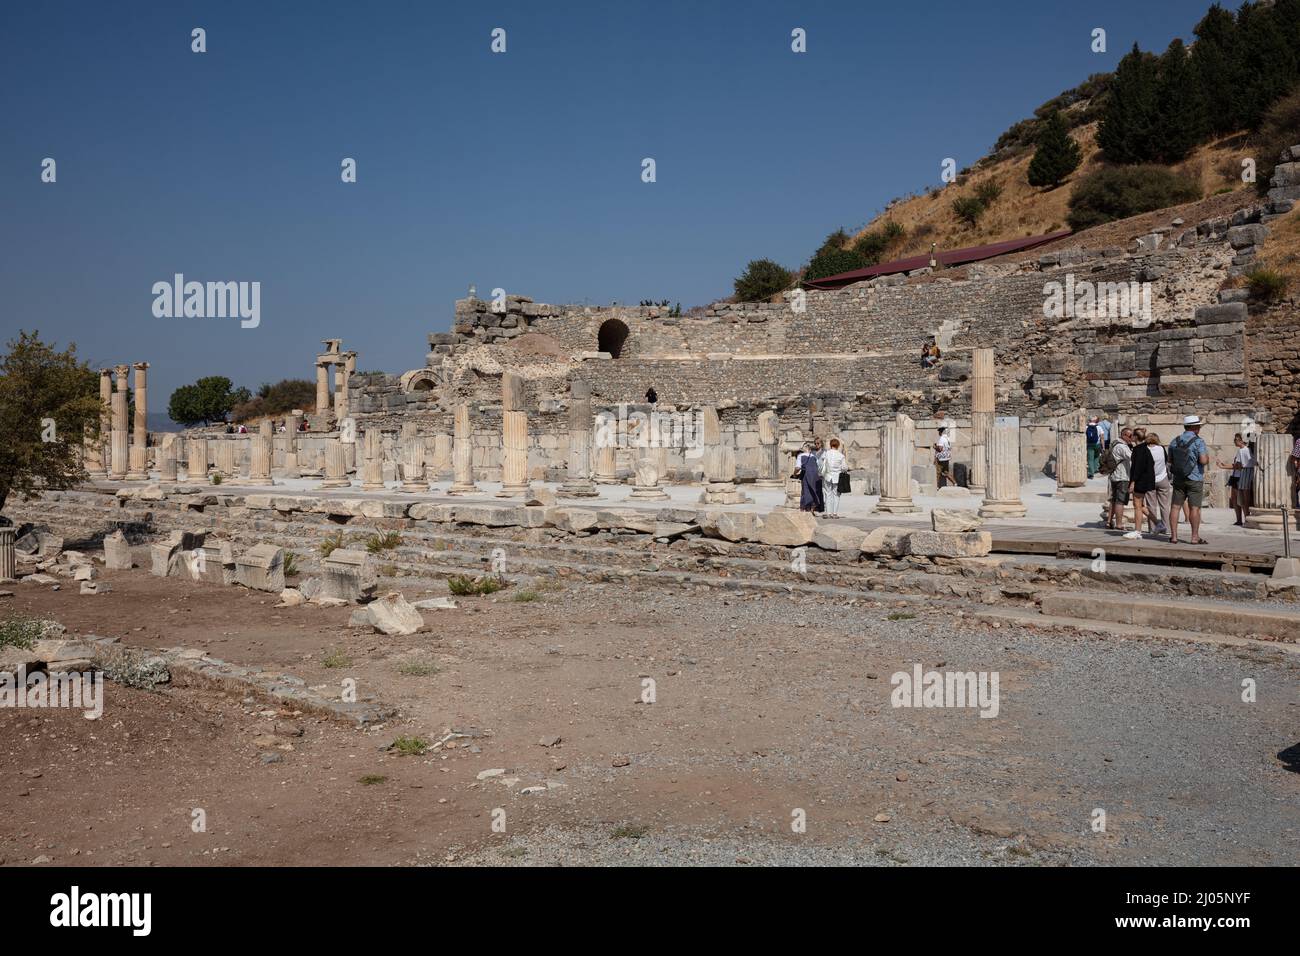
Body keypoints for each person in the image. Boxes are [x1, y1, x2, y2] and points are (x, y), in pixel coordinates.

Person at [1168, 415, 1210, 545]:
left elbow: (1170, 460)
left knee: (1175, 507)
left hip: (1179, 477)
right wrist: (1207, 458)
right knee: (1194, 508)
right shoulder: (1199, 441)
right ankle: (1194, 537)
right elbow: (1203, 460)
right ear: (1194, 427)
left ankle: (1174, 537)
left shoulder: (1175, 441)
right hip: (1195, 477)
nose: (1199, 428)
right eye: (1198, 426)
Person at [1218, 433, 1254, 526]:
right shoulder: (1248, 450)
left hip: (1242, 476)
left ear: (1242, 441)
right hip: (1242, 475)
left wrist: (1223, 466)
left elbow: (1238, 466)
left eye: (1236, 439)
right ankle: (1243, 520)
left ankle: (1245, 519)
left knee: (1243, 500)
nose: (1235, 441)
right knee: (1238, 499)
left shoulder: (1242, 450)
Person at [1143, 432, 1172, 535]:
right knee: (1164, 505)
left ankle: (1153, 528)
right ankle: (1167, 528)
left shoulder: (1145, 450)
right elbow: (1167, 461)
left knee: (1151, 506)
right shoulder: (1161, 448)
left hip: (1150, 480)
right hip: (1163, 478)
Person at [1106, 427, 1134, 531]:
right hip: (1122, 476)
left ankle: (1109, 522)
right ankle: (1119, 524)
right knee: (1120, 501)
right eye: (1130, 436)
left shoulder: (1114, 443)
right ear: (1124, 435)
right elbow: (1133, 457)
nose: (1132, 438)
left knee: (1114, 500)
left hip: (1114, 475)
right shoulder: (1122, 447)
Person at [1128, 427, 1153, 537]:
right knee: (1140, 505)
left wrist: (1133, 482)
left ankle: (1137, 531)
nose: (1130, 438)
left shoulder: (1139, 450)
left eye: (1131, 436)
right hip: (1144, 480)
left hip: (1140, 480)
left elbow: (1137, 468)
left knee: (1137, 505)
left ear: (1135, 437)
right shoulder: (1145, 449)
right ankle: (1158, 523)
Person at [821, 438, 847, 518]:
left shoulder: (826, 453)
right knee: (836, 495)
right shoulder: (841, 455)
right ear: (838, 445)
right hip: (837, 476)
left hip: (827, 475)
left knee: (828, 494)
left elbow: (822, 462)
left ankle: (828, 513)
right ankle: (834, 513)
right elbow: (844, 468)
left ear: (830, 445)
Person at [796, 442, 824, 513]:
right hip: (815, 475)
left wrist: (794, 473)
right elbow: (819, 466)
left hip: (806, 475)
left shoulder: (801, 456)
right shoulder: (814, 457)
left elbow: (798, 467)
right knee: (813, 491)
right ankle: (812, 507)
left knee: (805, 491)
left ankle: (804, 508)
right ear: (810, 449)